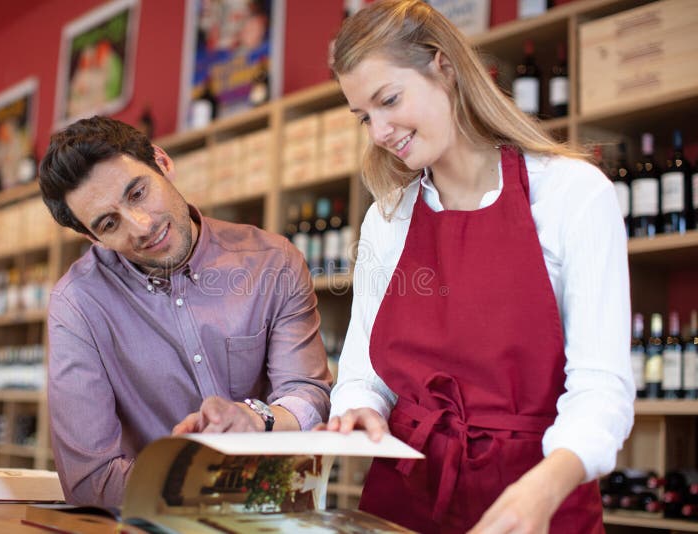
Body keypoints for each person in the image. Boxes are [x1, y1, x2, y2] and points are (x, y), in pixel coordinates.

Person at [320, 1, 634, 533]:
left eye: (389, 100)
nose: (378, 132)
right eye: (364, 116)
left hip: (534, 497)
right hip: (405, 495)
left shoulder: (572, 195)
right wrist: (359, 407)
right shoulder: (387, 219)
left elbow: (601, 387)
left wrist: (549, 483)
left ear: (443, 66)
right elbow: (361, 374)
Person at [37, 116, 332, 506]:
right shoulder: (77, 304)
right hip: (157, 521)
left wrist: (259, 419)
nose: (141, 227)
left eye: (138, 194)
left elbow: (308, 394)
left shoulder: (272, 262)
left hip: (276, 515)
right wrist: (212, 491)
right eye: (110, 223)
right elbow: (89, 478)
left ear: (161, 162)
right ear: (93, 237)